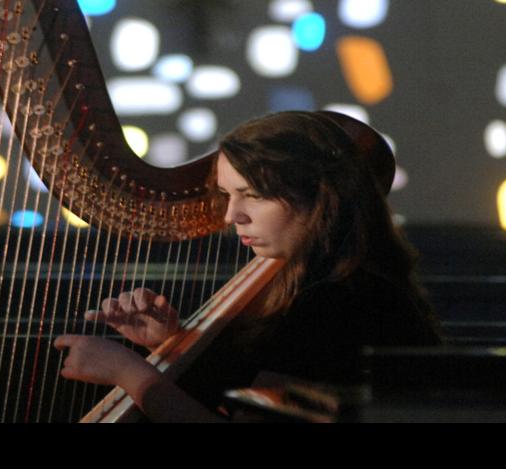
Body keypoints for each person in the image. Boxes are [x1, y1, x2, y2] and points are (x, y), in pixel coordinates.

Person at [53, 111, 443, 422]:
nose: (230, 216)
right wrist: (165, 343)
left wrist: (128, 373)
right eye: (227, 195)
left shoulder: (341, 302)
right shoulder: (336, 284)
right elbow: (255, 398)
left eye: (252, 195)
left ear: (323, 199)